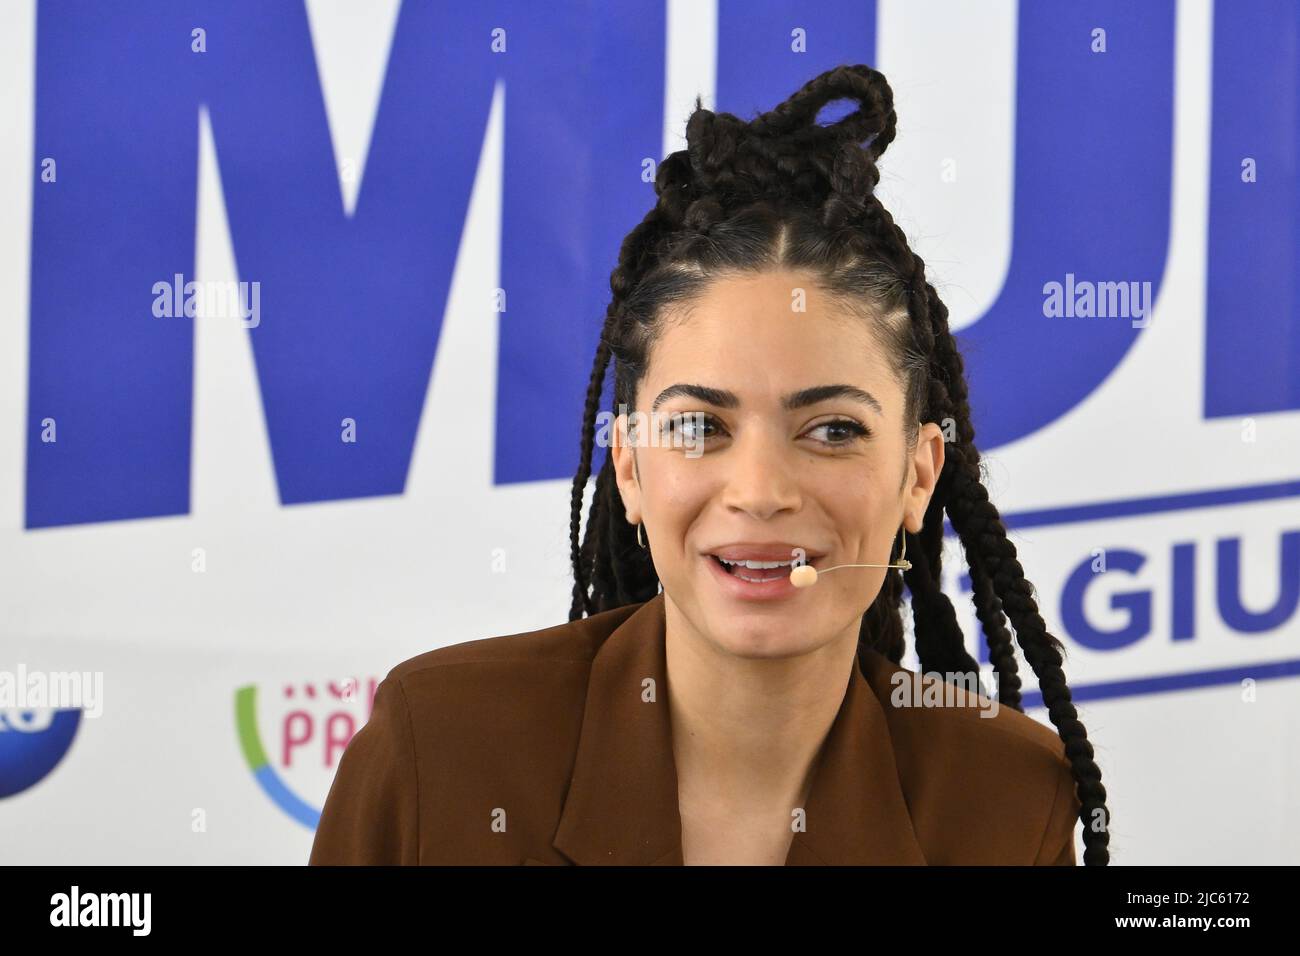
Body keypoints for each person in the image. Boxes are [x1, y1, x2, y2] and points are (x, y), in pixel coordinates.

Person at [310, 63, 1110, 867]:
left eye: (833, 430)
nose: (760, 492)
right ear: (628, 465)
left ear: (918, 474)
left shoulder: (1009, 799)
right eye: (699, 426)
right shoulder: (438, 752)